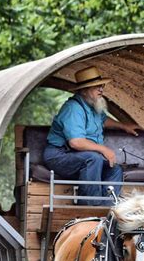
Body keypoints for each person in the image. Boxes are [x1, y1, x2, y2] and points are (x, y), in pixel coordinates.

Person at [43, 66, 138, 206]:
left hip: (81, 156)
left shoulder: (93, 106)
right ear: (84, 90)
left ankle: (108, 209)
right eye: (96, 86)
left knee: (115, 169)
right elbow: (76, 142)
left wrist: (123, 126)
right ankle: (89, 206)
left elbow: (103, 120)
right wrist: (104, 149)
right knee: (93, 158)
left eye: (101, 85)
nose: (101, 89)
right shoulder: (73, 108)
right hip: (59, 155)